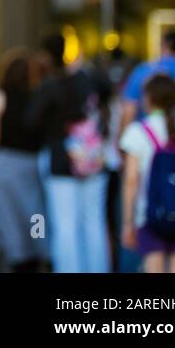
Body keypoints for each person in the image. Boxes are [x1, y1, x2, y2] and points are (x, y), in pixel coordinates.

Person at [29, 33, 112, 273]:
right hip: (93, 158)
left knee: (65, 226)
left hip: (61, 161)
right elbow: (107, 89)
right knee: (94, 222)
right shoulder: (87, 79)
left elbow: (31, 121)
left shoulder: (50, 86)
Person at [119, 73, 175, 272]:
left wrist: (128, 222)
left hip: (148, 216)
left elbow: (131, 181)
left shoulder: (137, 132)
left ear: (148, 98)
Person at [0, 50, 50, 271]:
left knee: (9, 218)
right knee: (35, 215)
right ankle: (40, 252)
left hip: (6, 165)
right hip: (33, 165)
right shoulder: (39, 96)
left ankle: (17, 258)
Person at [119, 30, 175, 135]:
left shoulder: (144, 70)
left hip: (145, 139)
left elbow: (129, 109)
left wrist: (123, 139)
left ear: (166, 46)